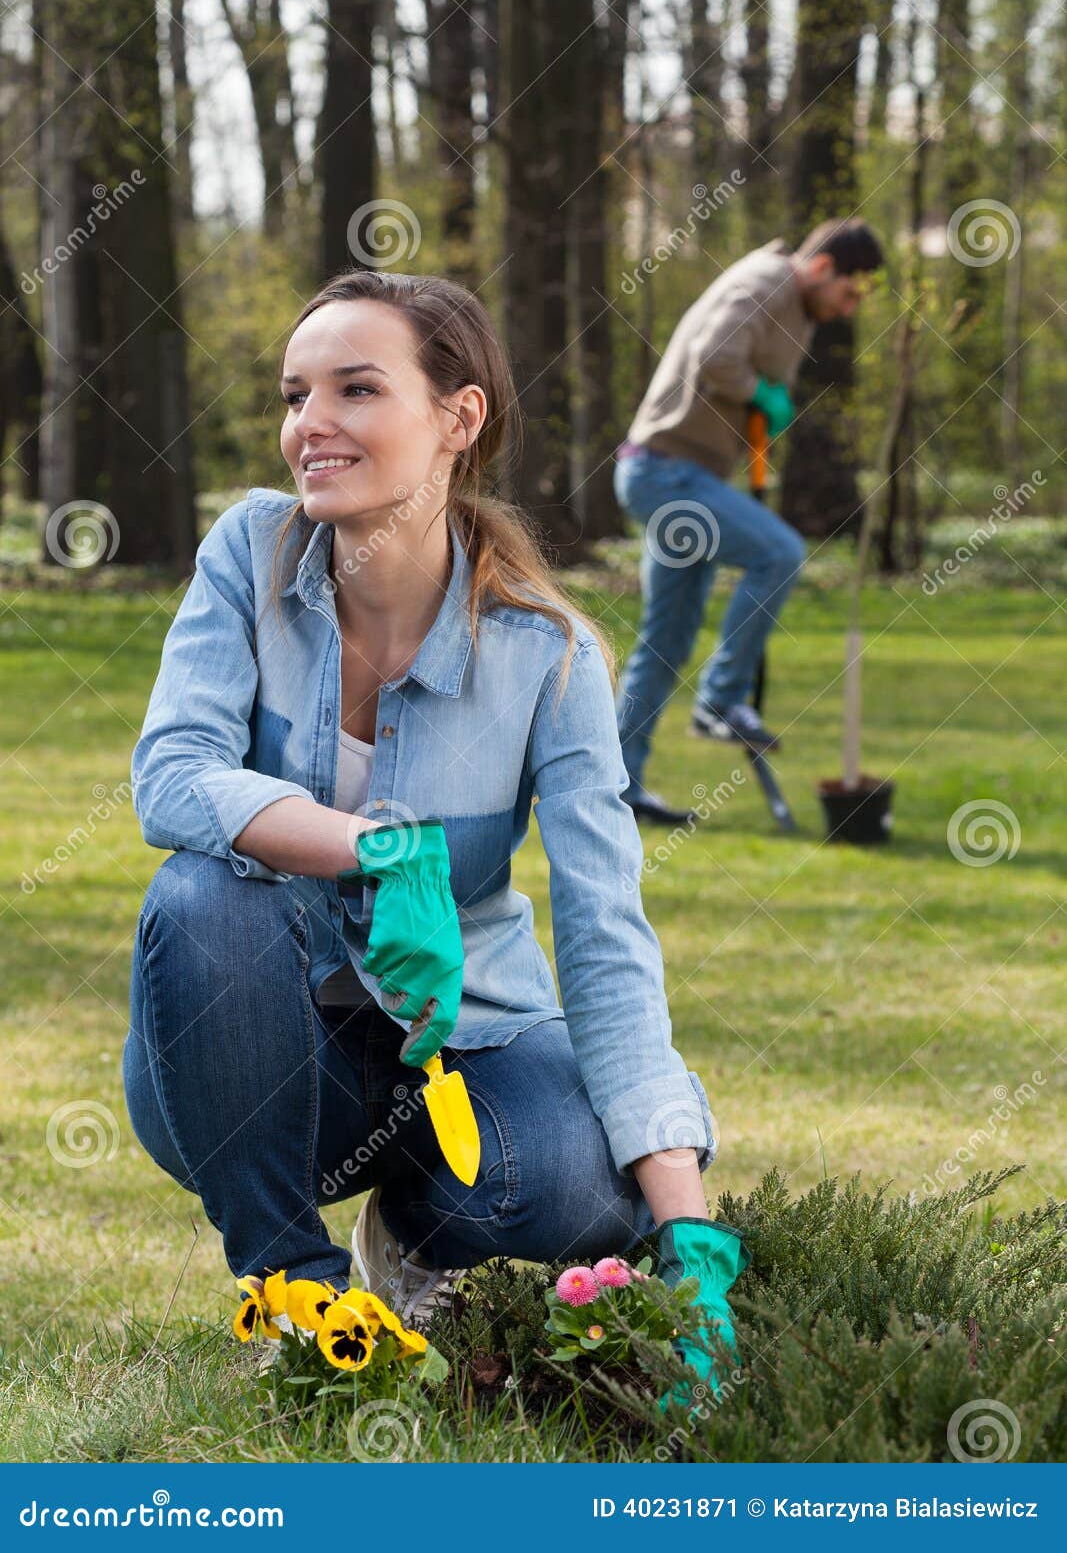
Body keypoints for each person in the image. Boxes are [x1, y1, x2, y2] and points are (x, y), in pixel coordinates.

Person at [122, 269, 747, 1379]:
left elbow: (605, 935)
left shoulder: (544, 654)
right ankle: (297, 1291)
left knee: (573, 1187)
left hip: (466, 1043)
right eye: (293, 394)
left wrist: (683, 1224)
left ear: (458, 418)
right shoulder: (249, 556)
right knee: (203, 891)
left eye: (355, 390)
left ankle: (413, 1237)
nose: (308, 425)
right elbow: (171, 777)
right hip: (256, 1052)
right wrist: (373, 847)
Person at [614, 219, 884, 825]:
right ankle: (723, 698)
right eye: (849, 292)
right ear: (822, 267)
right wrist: (761, 391)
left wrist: (766, 403)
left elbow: (752, 381)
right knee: (780, 553)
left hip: (689, 477)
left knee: (666, 639)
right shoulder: (764, 282)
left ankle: (612, 789)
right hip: (665, 473)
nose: (849, 308)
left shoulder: (798, 308)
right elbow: (716, 356)